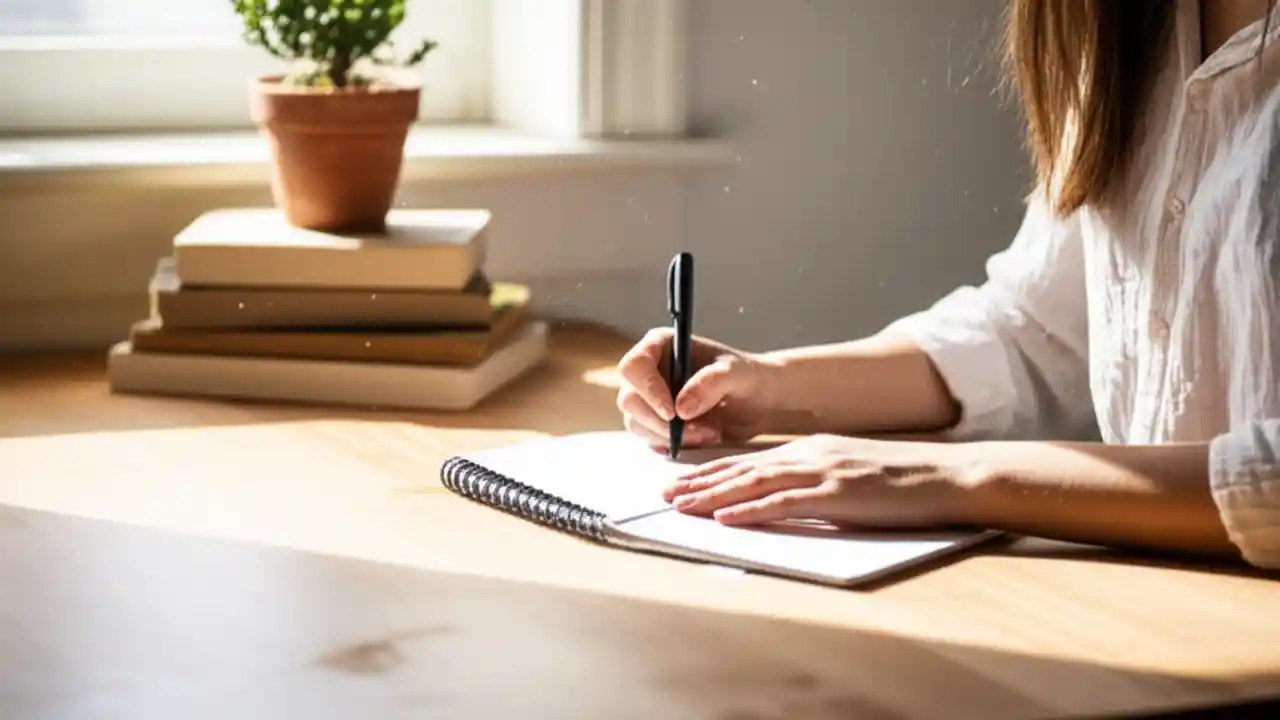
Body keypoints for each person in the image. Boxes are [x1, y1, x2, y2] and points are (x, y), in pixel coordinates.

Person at [615, 0, 1280, 568]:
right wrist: (767, 387)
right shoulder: (1120, 26)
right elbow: (1036, 329)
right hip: (1155, 601)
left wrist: (956, 477)